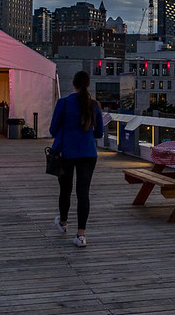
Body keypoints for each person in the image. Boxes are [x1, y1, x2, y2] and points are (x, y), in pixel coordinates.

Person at [49, 70, 103, 248]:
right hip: (88, 153)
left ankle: (63, 222)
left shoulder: (63, 103)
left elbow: (52, 129)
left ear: (73, 84)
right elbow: (99, 133)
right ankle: (81, 235)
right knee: (83, 193)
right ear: (88, 84)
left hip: (67, 153)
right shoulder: (94, 105)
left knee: (65, 190)